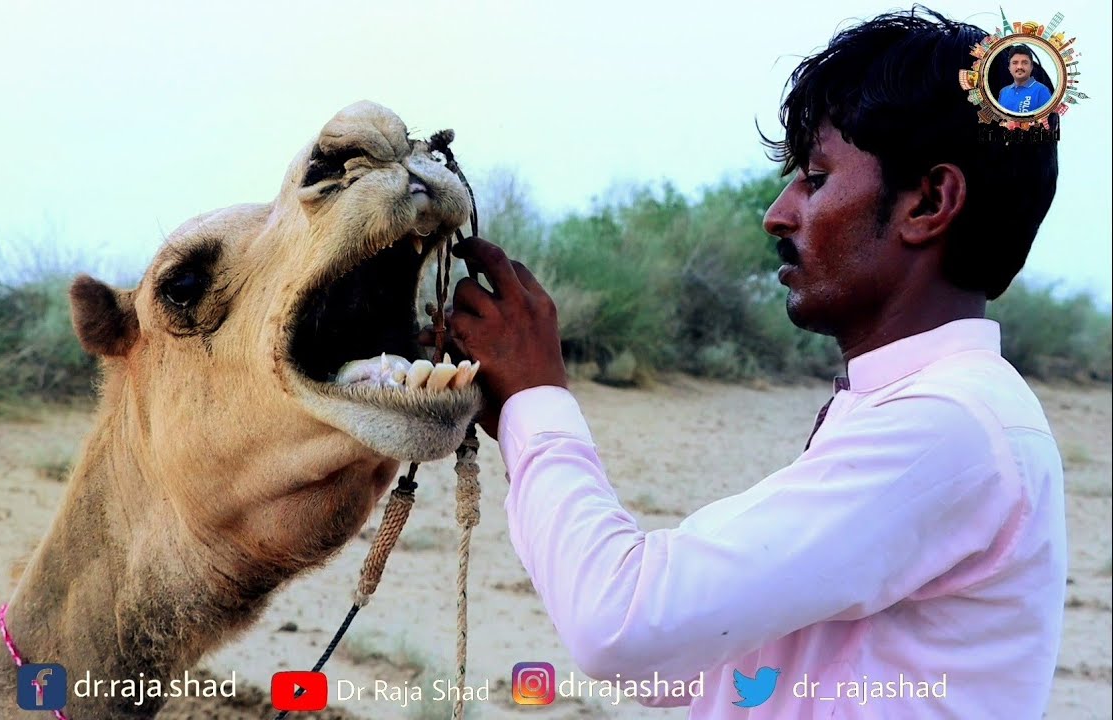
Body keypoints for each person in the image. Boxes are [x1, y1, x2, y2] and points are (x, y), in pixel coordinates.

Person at [434, 8, 1064, 719]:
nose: (777, 212)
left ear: (928, 202)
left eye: (816, 177)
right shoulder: (925, 411)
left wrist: (540, 405)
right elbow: (684, 661)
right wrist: (523, 418)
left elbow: (624, 628)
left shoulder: (950, 428)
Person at [997, 44, 1053, 114]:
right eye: (1015, 63)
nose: (1019, 67)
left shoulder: (1041, 90)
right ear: (1009, 67)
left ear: (1031, 67)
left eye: (1024, 63)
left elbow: (1047, 118)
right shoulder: (1003, 93)